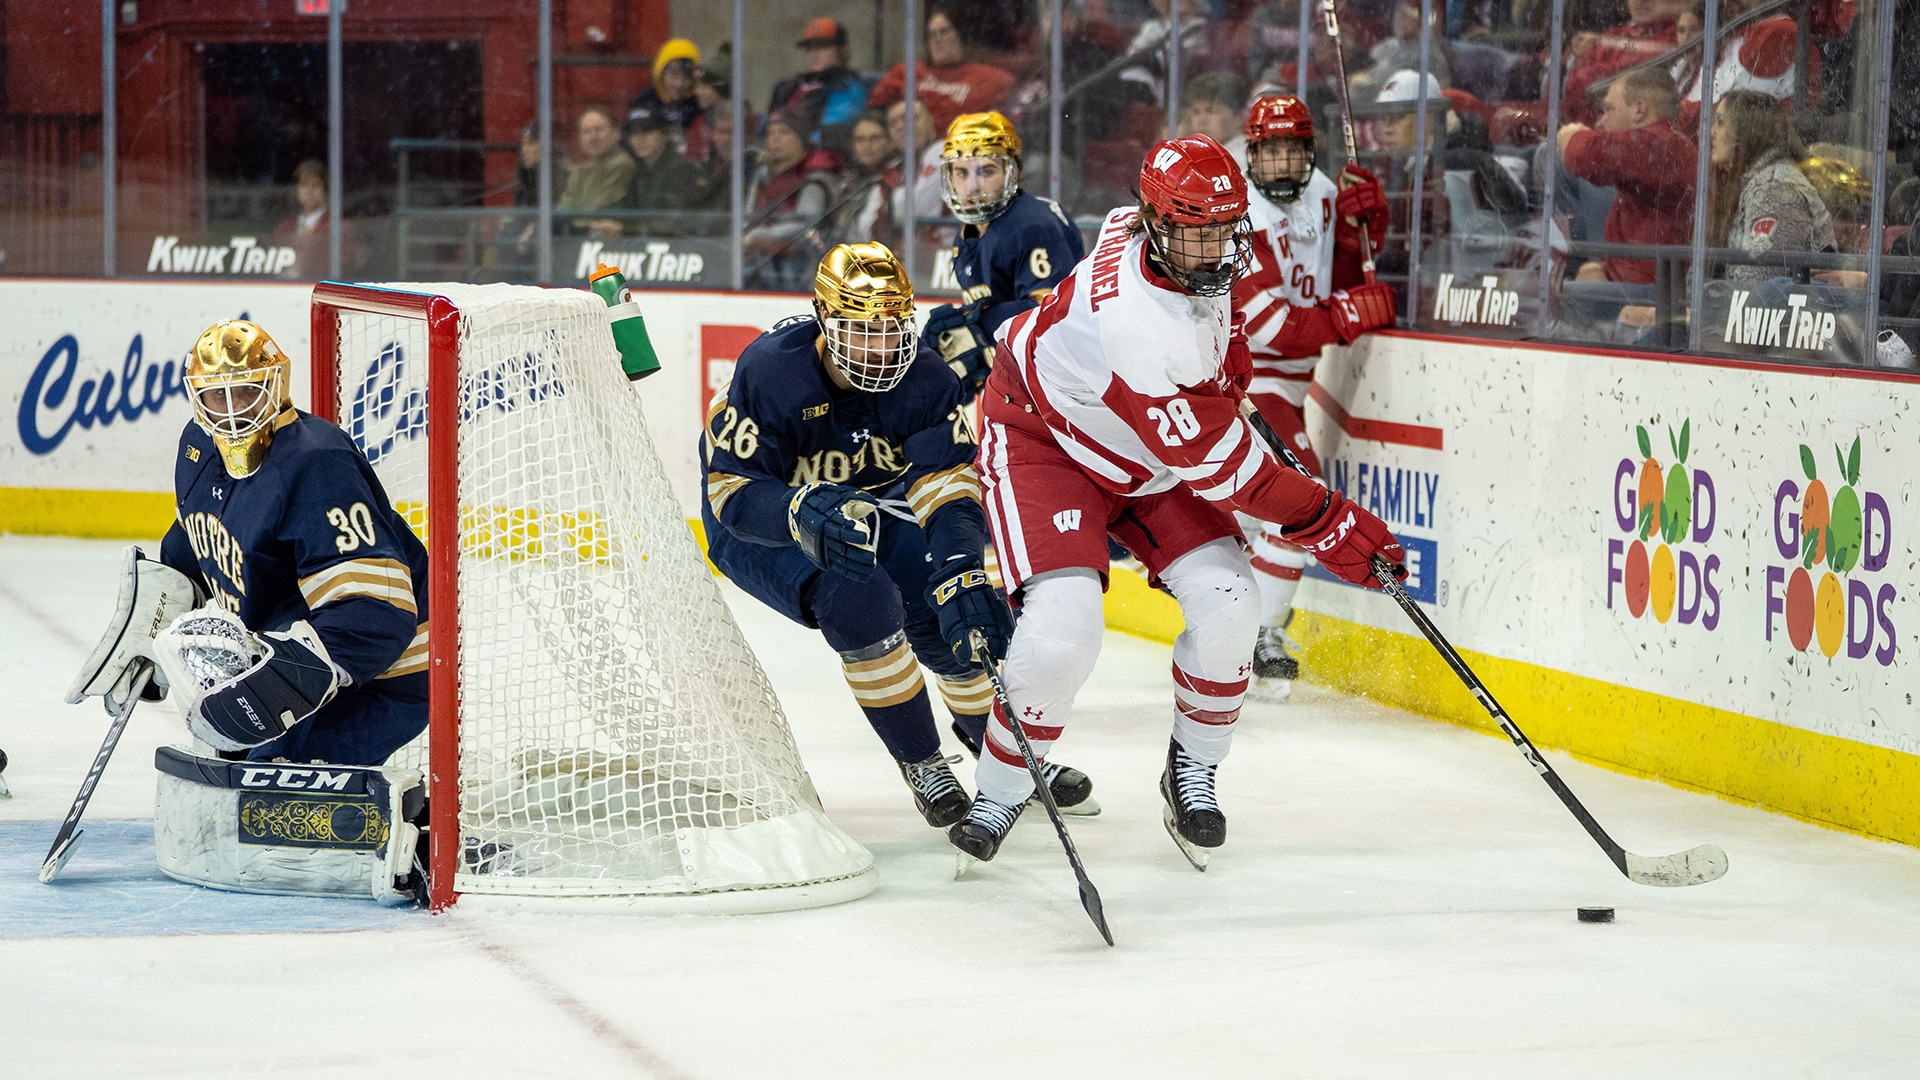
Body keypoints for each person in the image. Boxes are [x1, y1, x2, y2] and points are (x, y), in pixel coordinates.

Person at [950, 134, 1407, 865]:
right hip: (1046, 441)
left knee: (1232, 603)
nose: (1216, 248)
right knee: (1064, 627)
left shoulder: (1156, 236)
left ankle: (1191, 769)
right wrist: (1329, 522)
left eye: (1226, 228)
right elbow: (1231, 475)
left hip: (1138, 440)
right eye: (1198, 233)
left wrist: (1228, 367)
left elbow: (1218, 334)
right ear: (1156, 224)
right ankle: (1002, 789)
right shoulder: (1139, 327)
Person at [700, 242, 1094, 830]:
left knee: (952, 606)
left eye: (891, 328)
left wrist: (960, 565)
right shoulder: (772, 372)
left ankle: (1002, 753)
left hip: (871, 502)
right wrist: (796, 511)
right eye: (863, 330)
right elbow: (732, 492)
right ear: (823, 318)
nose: (881, 347)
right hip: (767, 520)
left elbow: (948, 485)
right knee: (859, 597)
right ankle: (922, 761)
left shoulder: (926, 377)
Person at [1232, 95, 1396, 697]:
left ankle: (1239, 625)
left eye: (1292, 150)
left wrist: (1360, 236)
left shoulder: (1325, 193)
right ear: (1252, 154)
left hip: (1290, 381)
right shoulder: (1233, 210)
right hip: (1243, 382)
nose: (1281, 163)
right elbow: (1270, 325)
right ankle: (1258, 634)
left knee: (1261, 513)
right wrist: (1345, 316)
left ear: (1309, 151)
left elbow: (1339, 281)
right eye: (1269, 151)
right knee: (1300, 500)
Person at [922, 111, 1085, 405]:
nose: (972, 186)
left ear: (1013, 172)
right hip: (1023, 384)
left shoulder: (1032, 225)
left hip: (1064, 391)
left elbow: (1050, 313)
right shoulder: (970, 232)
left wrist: (977, 326)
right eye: (962, 172)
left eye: (986, 171)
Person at [1557, 67, 1696, 287]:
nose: (1600, 123)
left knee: (1555, 294)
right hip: (1630, 280)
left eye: (1610, 109)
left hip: (1652, 293)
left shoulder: (1662, 144)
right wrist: (1602, 269)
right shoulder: (1658, 145)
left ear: (1639, 110)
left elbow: (1583, 154)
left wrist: (1571, 135)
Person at [1706, 89, 1835, 289]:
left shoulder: (1774, 190)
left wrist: (1708, 300)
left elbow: (1759, 283)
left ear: (1746, 131)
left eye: (1720, 123)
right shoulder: (1750, 181)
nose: (1711, 132)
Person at [866, 7, 1014, 134]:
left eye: (944, 32)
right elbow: (873, 113)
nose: (937, 39)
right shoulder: (907, 71)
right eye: (931, 34)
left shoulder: (991, 77)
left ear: (961, 35)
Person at [743, 109, 839, 291]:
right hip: (759, 262)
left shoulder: (814, 176)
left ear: (801, 138)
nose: (775, 139)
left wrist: (758, 236)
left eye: (784, 133)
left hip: (799, 267)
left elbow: (806, 224)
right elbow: (748, 216)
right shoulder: (762, 175)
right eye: (771, 133)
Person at [1561, 0, 1683, 126]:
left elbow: (1582, 79)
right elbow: (1573, 85)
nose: (1639, 2)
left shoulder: (1678, 36)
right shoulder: (1619, 33)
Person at [768, 18, 872, 159]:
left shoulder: (847, 86)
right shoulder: (787, 86)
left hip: (815, 160)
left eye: (822, 47)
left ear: (841, 51)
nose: (814, 54)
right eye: (809, 48)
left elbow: (832, 133)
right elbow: (766, 128)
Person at [620, 107, 705, 231]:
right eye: (633, 133)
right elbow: (626, 209)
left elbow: (673, 222)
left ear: (665, 134)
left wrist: (625, 229)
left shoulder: (683, 169)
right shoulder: (634, 168)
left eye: (646, 131)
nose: (639, 139)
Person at [558, 105, 636, 239]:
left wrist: (573, 224)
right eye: (586, 132)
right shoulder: (580, 171)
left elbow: (592, 212)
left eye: (599, 129)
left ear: (616, 134)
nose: (593, 137)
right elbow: (564, 211)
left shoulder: (622, 164)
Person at [833, 110, 905, 249]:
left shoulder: (898, 178)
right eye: (860, 139)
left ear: (890, 142)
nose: (867, 146)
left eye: (874, 138)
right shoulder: (845, 182)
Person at [274, 159, 354, 280]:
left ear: (325, 190)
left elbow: (344, 268)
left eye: (315, 185)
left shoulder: (340, 228)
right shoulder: (283, 229)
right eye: (304, 185)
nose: (309, 190)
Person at [628, 38, 706, 149]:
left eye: (686, 78)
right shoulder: (644, 102)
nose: (679, 84)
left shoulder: (699, 102)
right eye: (673, 75)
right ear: (660, 74)